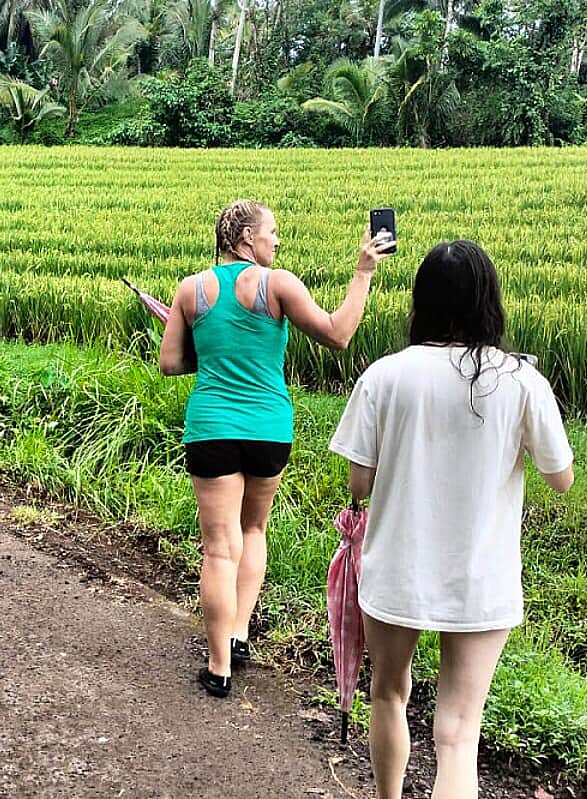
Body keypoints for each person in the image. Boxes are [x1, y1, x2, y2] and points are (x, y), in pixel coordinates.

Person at [328, 240, 574, 799]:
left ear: (422, 302)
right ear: (490, 302)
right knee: (459, 733)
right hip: (480, 575)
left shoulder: (385, 376)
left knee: (388, 695)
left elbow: (358, 485)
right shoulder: (520, 381)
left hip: (396, 568)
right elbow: (561, 477)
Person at [159, 199, 393, 698]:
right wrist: (363, 272)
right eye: (271, 233)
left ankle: (218, 666)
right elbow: (338, 334)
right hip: (268, 429)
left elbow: (171, 363)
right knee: (253, 528)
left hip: (212, 428)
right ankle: (240, 631)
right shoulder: (278, 284)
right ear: (246, 239)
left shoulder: (190, 290)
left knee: (219, 548)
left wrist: (214, 349)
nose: (276, 241)